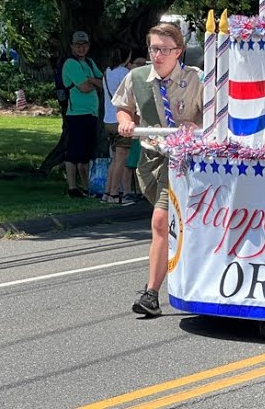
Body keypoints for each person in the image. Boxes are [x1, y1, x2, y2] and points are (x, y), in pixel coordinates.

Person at [113, 23, 203, 317]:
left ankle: (151, 295)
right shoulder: (136, 78)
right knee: (175, 226)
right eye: (153, 48)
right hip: (150, 161)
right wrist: (125, 119)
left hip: (184, 162)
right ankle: (193, 276)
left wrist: (197, 126)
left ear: (178, 51)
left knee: (160, 222)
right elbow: (124, 107)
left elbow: (218, 116)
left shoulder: (197, 79)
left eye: (164, 49)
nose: (157, 55)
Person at [62, 30, 104, 198]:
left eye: (84, 45)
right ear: (72, 46)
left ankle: (86, 187)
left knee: (85, 153)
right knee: (73, 151)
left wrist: (91, 79)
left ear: (88, 46)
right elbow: (84, 88)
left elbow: (103, 82)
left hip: (91, 113)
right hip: (76, 114)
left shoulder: (90, 62)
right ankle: (72, 187)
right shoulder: (70, 64)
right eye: (78, 45)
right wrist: (93, 81)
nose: (81, 48)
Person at [100, 48, 136, 206]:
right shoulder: (125, 73)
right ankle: (115, 194)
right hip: (121, 120)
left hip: (108, 120)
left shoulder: (107, 72)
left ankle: (107, 193)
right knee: (121, 160)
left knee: (114, 160)